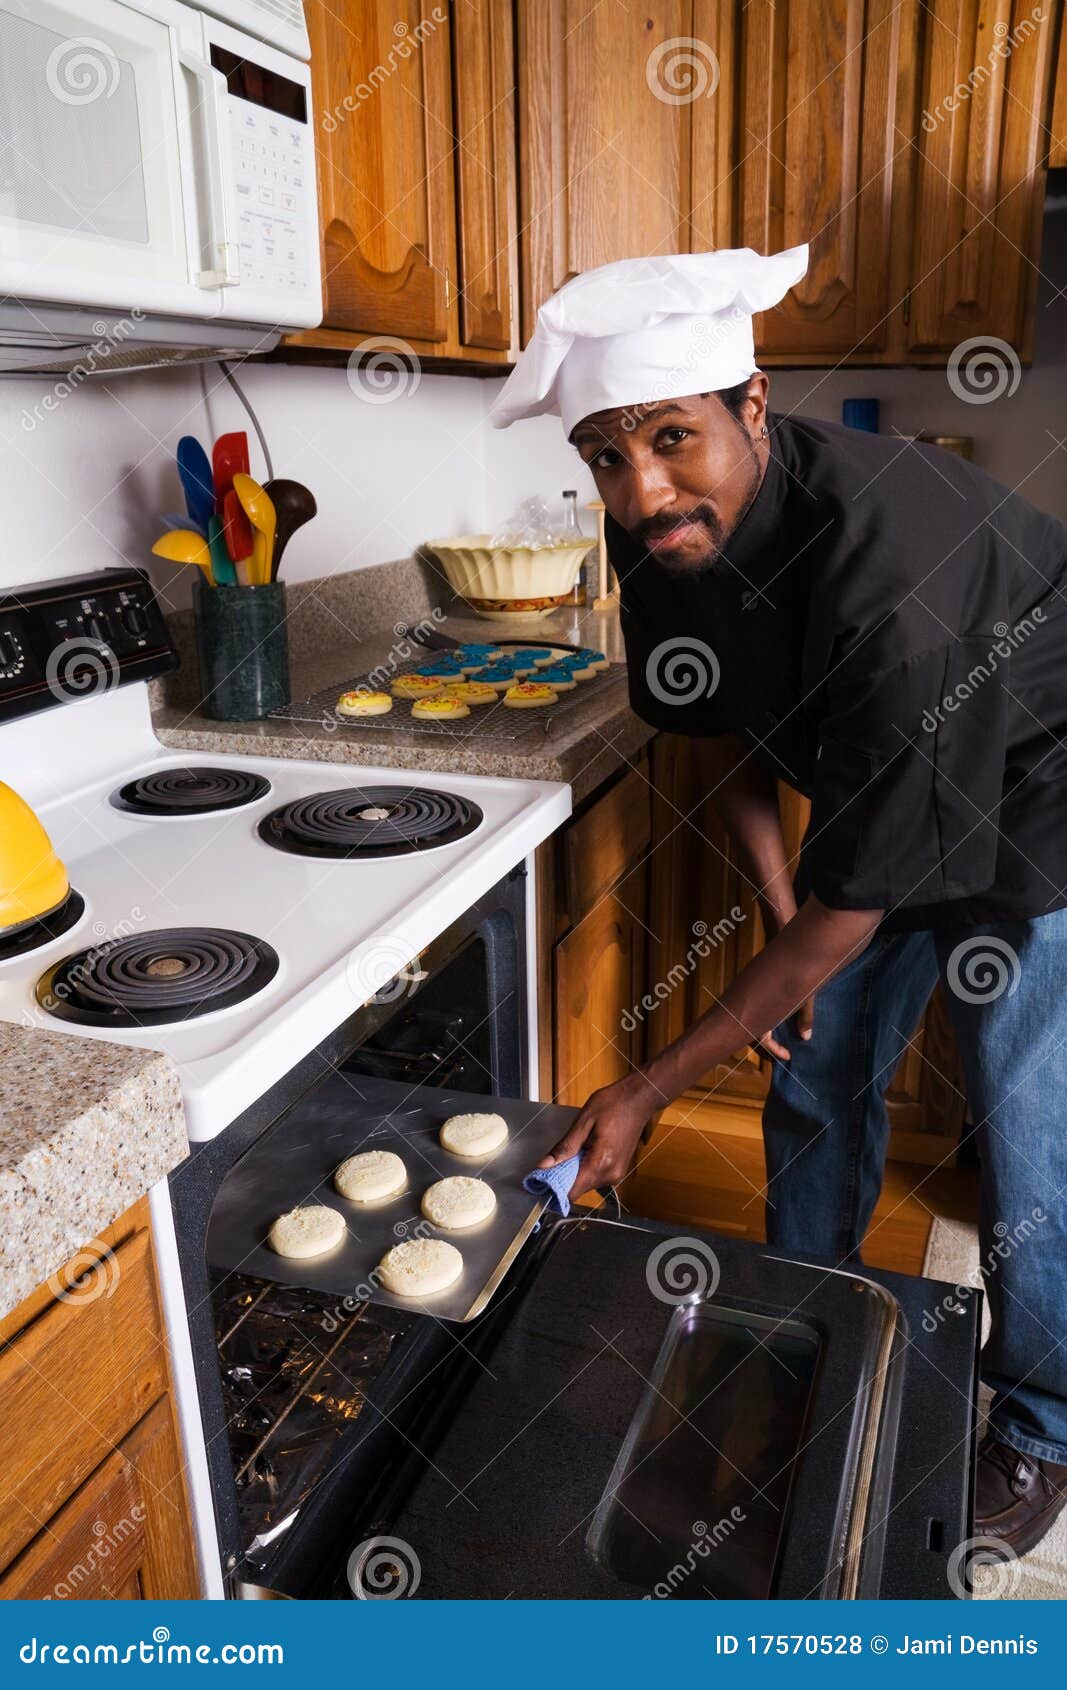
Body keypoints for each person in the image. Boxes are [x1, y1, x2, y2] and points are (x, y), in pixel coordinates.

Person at [490, 245, 1067, 1556]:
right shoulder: (658, 529)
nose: (641, 490)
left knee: (1030, 1113)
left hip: (1047, 788)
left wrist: (650, 1083)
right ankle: (801, 1317)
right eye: (604, 457)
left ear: (753, 405)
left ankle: (1041, 1429)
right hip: (892, 784)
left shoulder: (890, 571)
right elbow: (725, 719)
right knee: (817, 1070)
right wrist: (775, 897)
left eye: (674, 440)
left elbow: (849, 910)